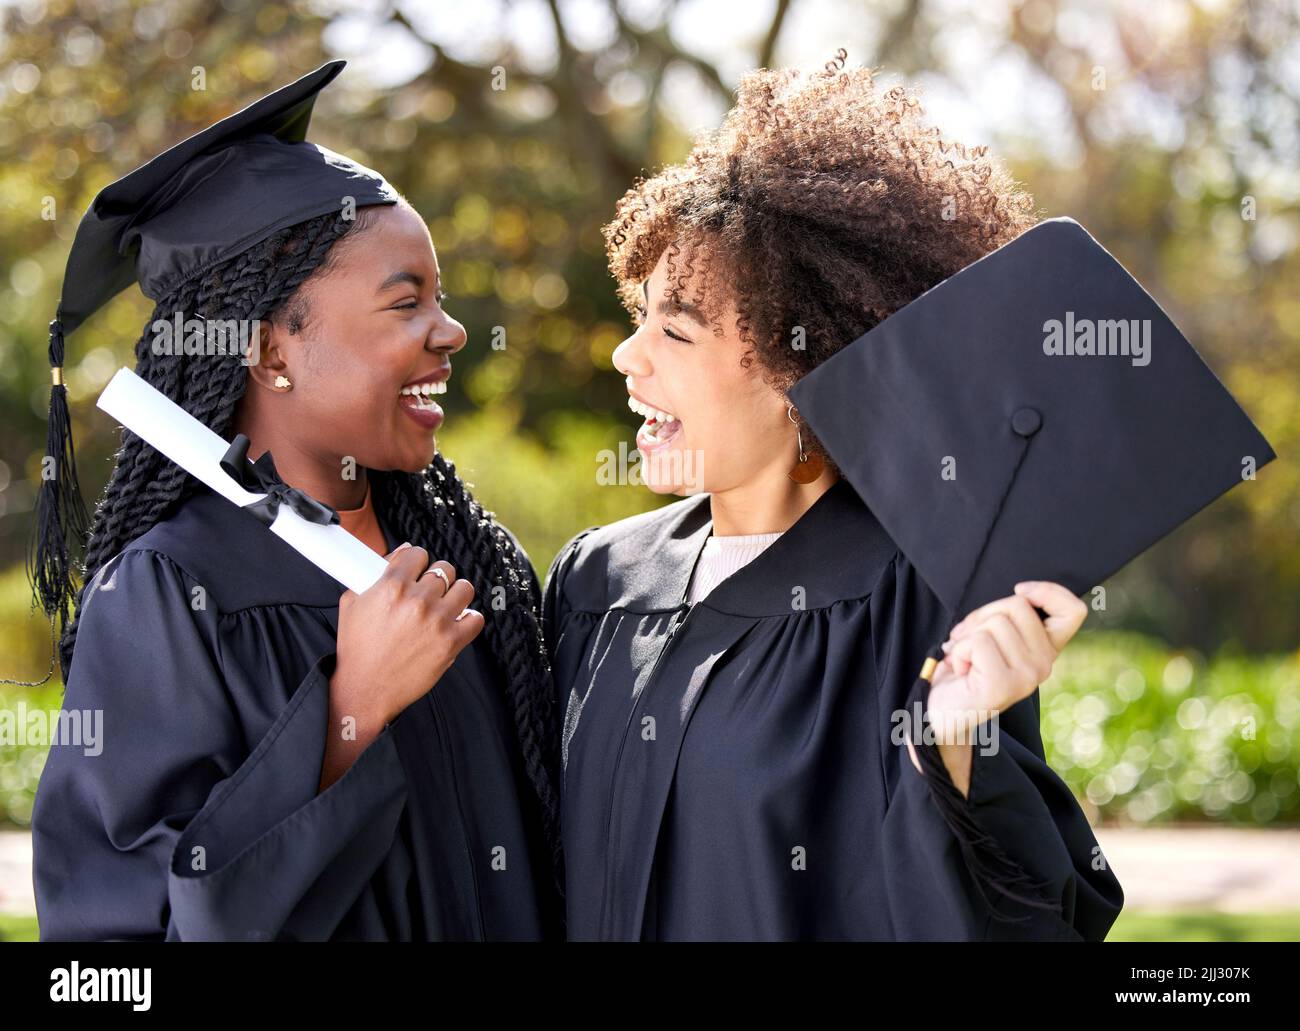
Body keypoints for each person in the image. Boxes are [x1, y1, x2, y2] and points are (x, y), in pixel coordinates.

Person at [542, 55, 1125, 940]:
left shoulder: (920, 600)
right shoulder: (598, 583)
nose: (629, 356)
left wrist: (959, 742)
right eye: (638, 315)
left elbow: (1021, 916)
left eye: (674, 328)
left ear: (805, 373)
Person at [30, 62, 563, 941]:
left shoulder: (468, 563)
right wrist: (351, 708)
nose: (452, 330)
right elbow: (120, 951)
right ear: (273, 346)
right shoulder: (169, 593)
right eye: (407, 303)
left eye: (442, 297)